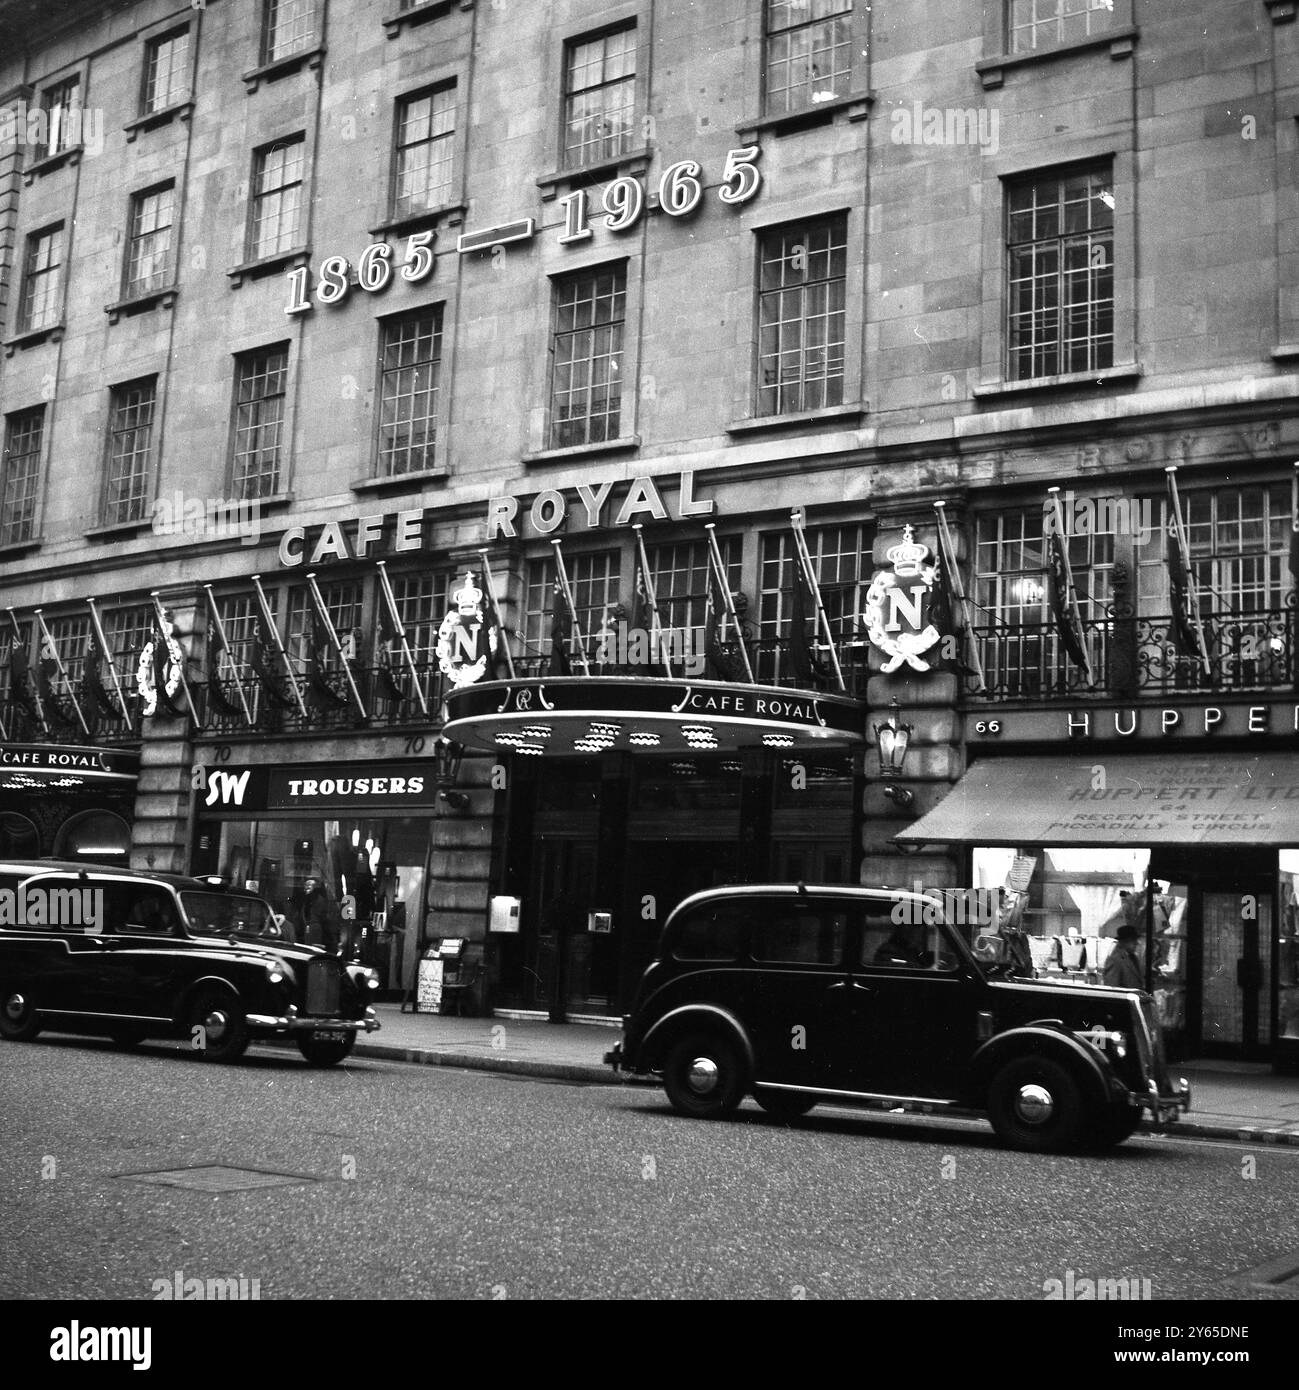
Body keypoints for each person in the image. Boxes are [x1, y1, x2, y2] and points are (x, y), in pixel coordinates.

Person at [1103, 924, 1144, 989]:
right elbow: (1111, 987)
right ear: (1124, 941)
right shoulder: (1115, 960)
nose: (1137, 943)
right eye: (1133, 940)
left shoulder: (1133, 957)